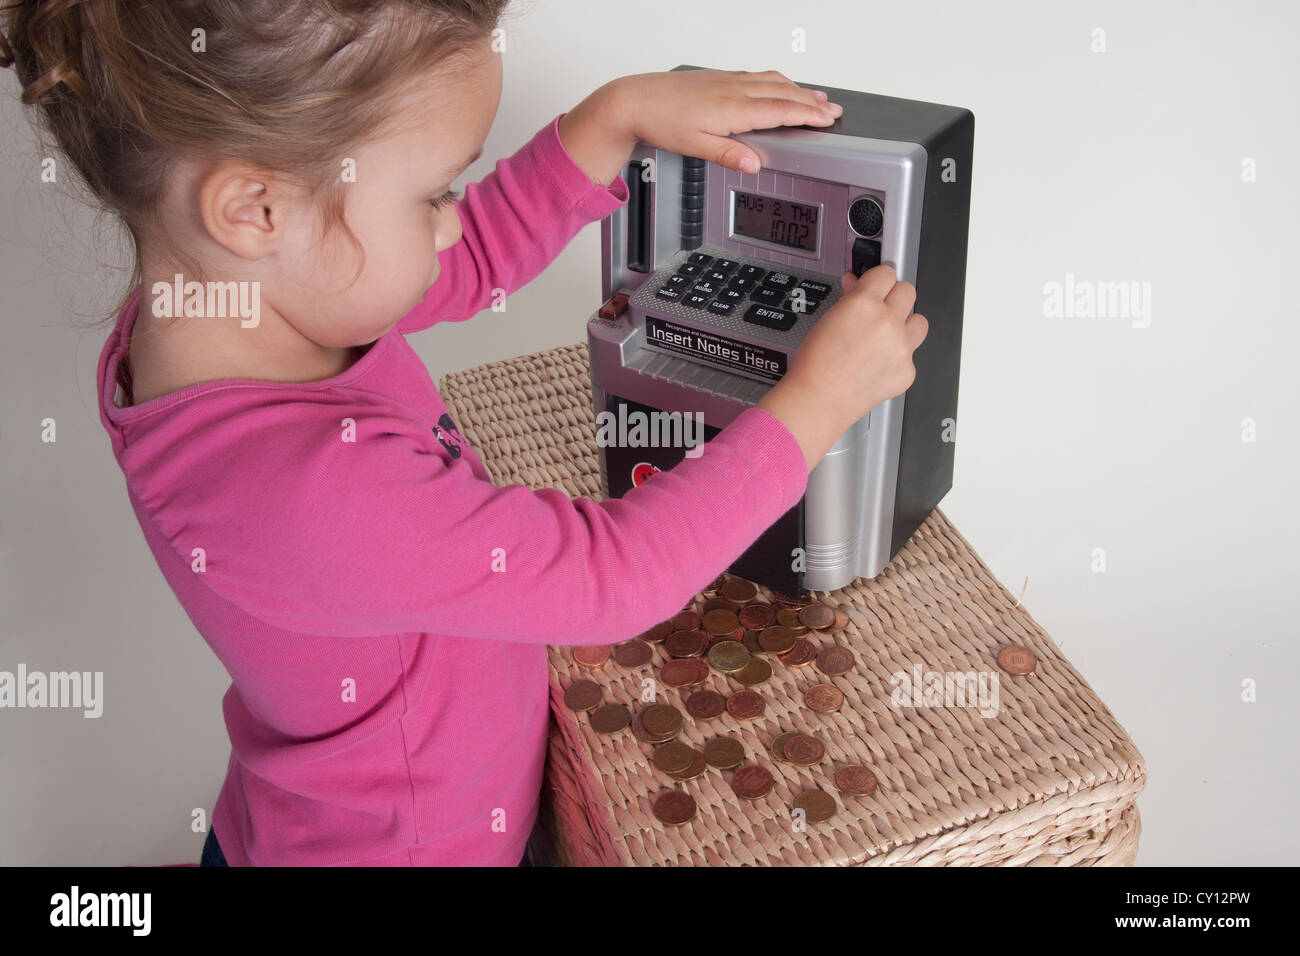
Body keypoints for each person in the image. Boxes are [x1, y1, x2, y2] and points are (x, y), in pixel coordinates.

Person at [1, 0, 926, 866]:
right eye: (435, 194)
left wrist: (611, 118)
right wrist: (817, 404)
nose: (451, 228)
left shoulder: (242, 307)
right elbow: (613, 576)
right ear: (256, 211)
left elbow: (470, 259)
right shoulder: (299, 488)